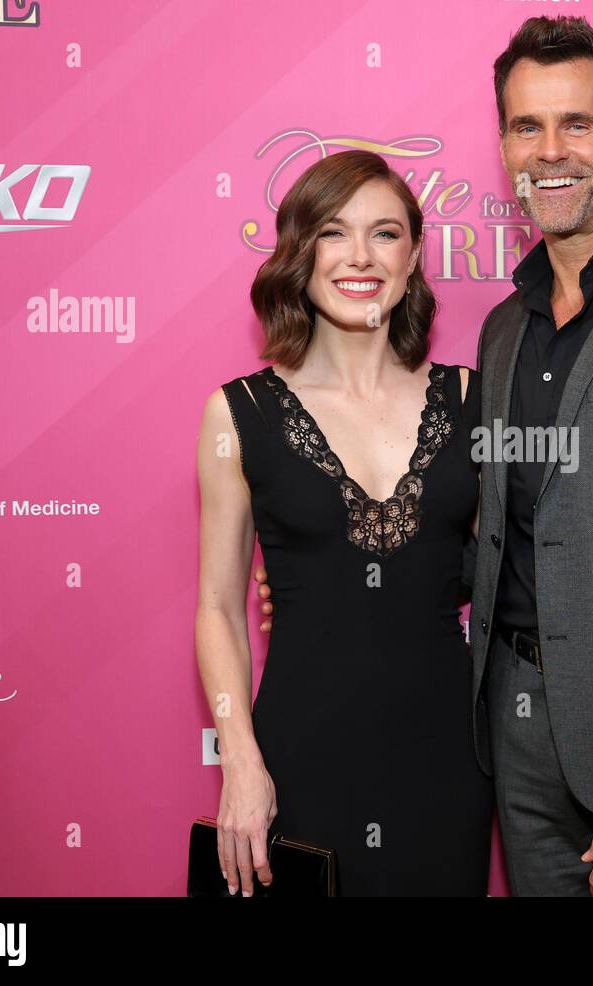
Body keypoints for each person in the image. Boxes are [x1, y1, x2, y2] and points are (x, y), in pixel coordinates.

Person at [260, 14, 593, 897]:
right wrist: (339, 570)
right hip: (516, 753)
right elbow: (505, 536)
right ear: (505, 146)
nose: (550, 151)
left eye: (576, 124)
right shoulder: (506, 327)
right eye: (526, 127)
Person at [194, 149, 493, 896]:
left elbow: (507, 568)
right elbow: (219, 607)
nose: (360, 256)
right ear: (300, 253)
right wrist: (241, 762)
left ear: (413, 256)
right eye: (334, 232)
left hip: (447, 759)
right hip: (300, 755)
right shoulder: (237, 414)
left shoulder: (472, 400)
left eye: (384, 233)